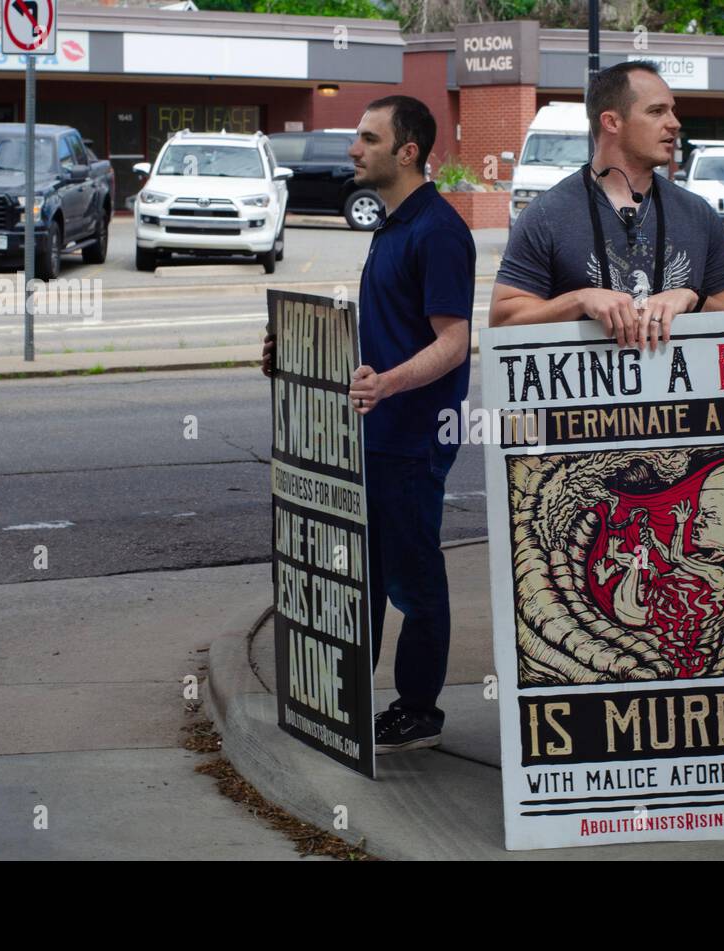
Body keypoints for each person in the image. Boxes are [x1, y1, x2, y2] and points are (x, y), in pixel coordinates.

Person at [262, 96, 473, 754]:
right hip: (376, 436)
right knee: (367, 576)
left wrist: (388, 384)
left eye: (367, 138)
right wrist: (295, 358)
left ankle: (418, 709)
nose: (353, 149)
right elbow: (384, 335)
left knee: (414, 578)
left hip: (411, 437)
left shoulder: (437, 230)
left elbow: (454, 341)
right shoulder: (391, 227)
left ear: (406, 151)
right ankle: (352, 699)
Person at [489, 61, 724, 348]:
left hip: (680, 390)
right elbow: (503, 321)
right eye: (656, 111)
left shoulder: (697, 213)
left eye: (672, 110)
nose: (674, 122)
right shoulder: (546, 215)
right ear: (612, 122)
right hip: (586, 389)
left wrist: (694, 298)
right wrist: (579, 300)